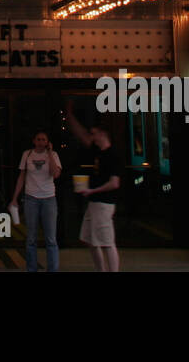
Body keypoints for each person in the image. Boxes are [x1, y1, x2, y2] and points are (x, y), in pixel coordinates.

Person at [70, 116, 120, 272]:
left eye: (94, 133)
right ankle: (101, 269)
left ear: (102, 134)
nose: (92, 136)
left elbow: (114, 183)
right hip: (94, 202)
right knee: (91, 240)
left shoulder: (113, 154)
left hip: (104, 203)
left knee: (107, 241)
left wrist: (93, 190)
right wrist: (70, 115)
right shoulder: (97, 151)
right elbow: (82, 135)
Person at [10, 130, 62, 272]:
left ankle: (52, 269)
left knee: (50, 238)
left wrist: (50, 153)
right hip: (31, 198)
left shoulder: (54, 155)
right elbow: (21, 177)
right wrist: (15, 198)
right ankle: (31, 268)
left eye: (43, 140)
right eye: (38, 139)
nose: (41, 142)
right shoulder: (27, 155)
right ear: (34, 141)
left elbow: (55, 173)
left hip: (49, 198)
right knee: (31, 238)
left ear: (47, 142)